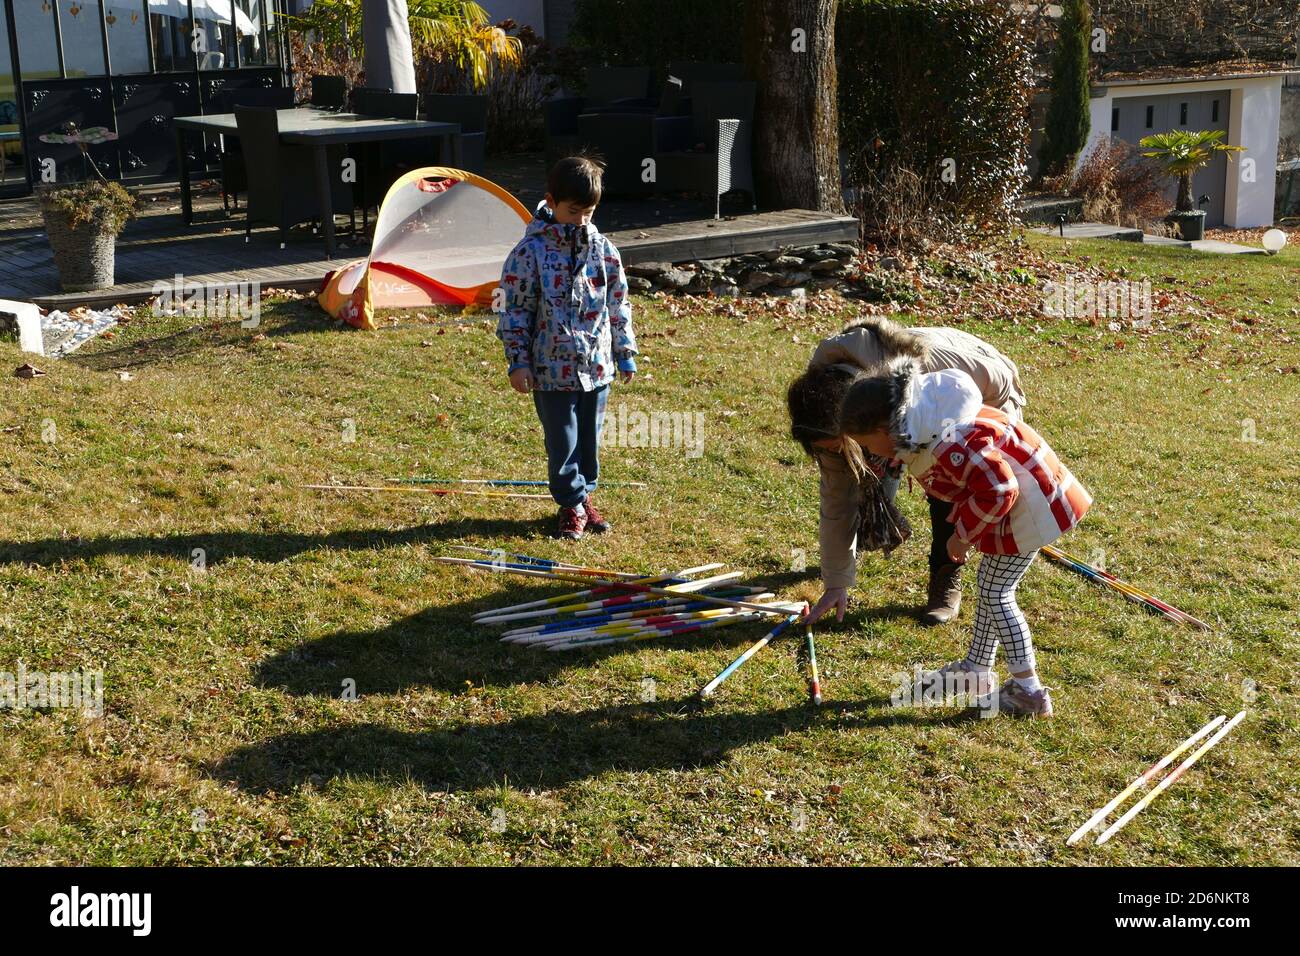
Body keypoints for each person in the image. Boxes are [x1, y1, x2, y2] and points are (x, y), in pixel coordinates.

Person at [837, 359, 1092, 716]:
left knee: (995, 591)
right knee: (991, 583)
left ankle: (1028, 691)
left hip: (1035, 508)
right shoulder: (930, 420)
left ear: (886, 429)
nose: (872, 453)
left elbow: (1001, 488)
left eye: (870, 445)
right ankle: (976, 670)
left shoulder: (953, 440)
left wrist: (962, 535)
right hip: (1024, 505)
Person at [787, 318, 1026, 625]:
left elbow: (1000, 380)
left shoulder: (927, 376)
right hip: (891, 423)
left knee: (948, 482)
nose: (834, 456)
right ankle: (863, 539)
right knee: (871, 469)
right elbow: (837, 499)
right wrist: (836, 582)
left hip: (987, 391)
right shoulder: (821, 398)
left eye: (838, 446)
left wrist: (970, 433)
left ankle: (945, 575)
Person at [496, 154, 638, 540]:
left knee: (589, 440)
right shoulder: (530, 253)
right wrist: (517, 362)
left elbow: (618, 302)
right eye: (573, 211)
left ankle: (584, 496)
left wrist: (624, 352)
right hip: (549, 369)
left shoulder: (604, 250)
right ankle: (569, 503)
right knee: (563, 441)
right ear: (551, 202)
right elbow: (514, 310)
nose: (580, 220)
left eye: (588, 212)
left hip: (597, 368)